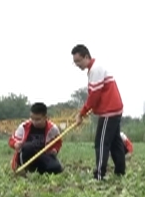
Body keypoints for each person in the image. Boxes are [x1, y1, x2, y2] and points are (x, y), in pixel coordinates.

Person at [72, 44, 126, 180]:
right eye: (75, 62)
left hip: (110, 110)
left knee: (101, 143)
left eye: (78, 61)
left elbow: (94, 96)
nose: (77, 64)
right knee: (115, 142)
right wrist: (91, 109)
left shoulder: (95, 69)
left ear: (86, 57)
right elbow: (97, 95)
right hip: (114, 108)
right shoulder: (93, 70)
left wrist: (81, 113)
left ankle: (100, 175)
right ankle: (120, 172)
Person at [9, 102, 64, 174]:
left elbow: (58, 142)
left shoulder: (52, 129)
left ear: (45, 117)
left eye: (38, 119)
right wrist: (15, 144)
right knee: (28, 146)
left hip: (42, 155)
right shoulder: (24, 126)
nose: (34, 122)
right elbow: (12, 140)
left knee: (56, 168)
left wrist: (55, 150)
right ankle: (25, 170)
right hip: (26, 156)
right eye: (32, 118)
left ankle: (39, 171)